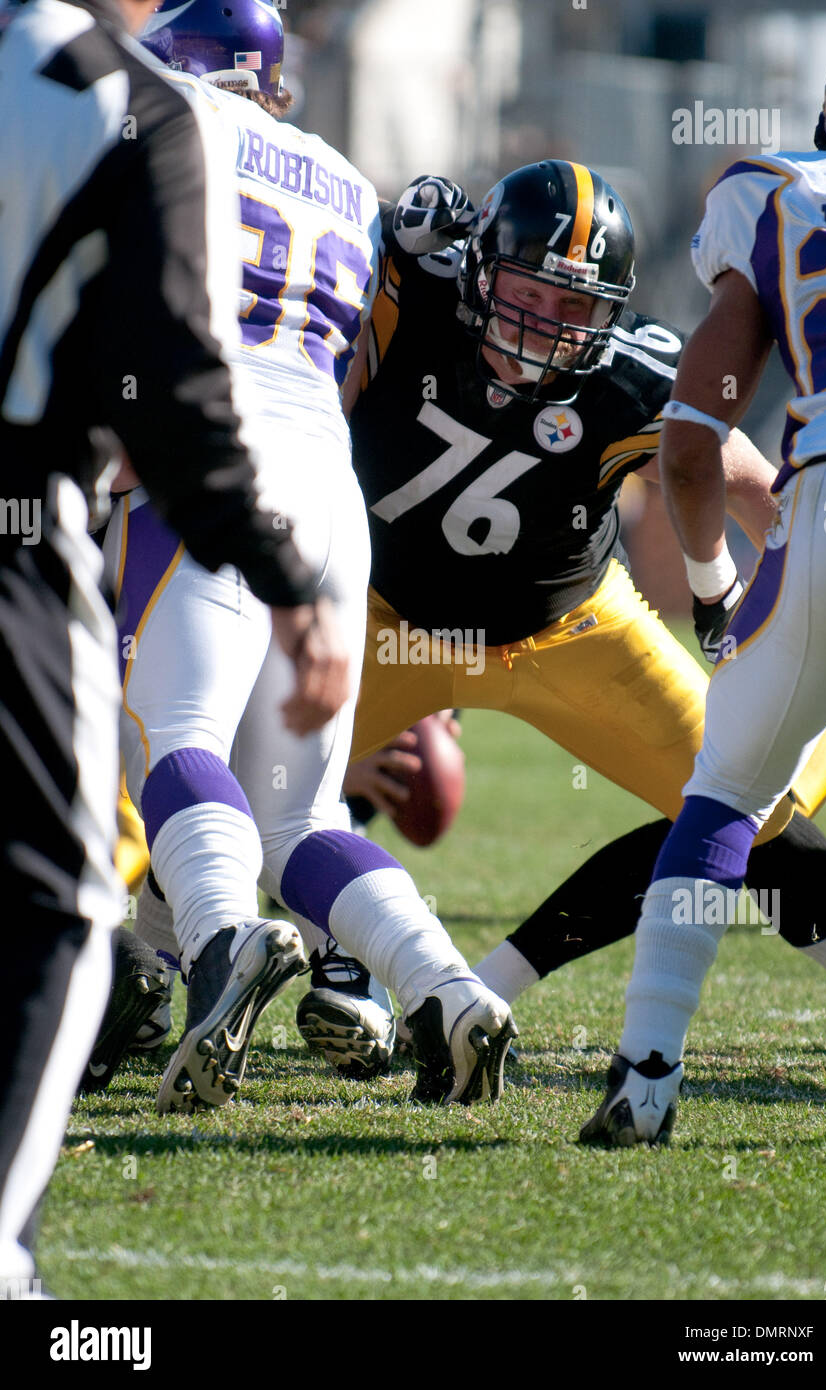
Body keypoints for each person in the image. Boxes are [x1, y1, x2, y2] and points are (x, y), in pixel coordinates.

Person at [335, 161, 826, 1055]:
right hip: (388, 623)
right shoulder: (408, 301)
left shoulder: (627, 377)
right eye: (529, 294)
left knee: (751, 811)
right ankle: (188, 962)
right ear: (474, 271)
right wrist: (390, 225)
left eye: (577, 307)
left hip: (571, 630)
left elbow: (746, 485)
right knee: (221, 772)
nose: (550, 326)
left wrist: (789, 597)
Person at [102, 0, 515, 1113]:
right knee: (302, 819)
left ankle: (227, 940)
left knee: (173, 736)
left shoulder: (159, 112)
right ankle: (446, 989)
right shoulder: (334, 170)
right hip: (331, 490)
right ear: (269, 81)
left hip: (217, 466)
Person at [0, 0, 349, 1296]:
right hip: (32, 529)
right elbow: (173, 380)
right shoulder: (132, 102)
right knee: (60, 898)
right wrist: (285, 573)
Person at [581, 34, 826, 1146]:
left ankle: (646, 1071)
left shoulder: (780, 193)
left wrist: (710, 590)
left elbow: (691, 449)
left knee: (728, 789)